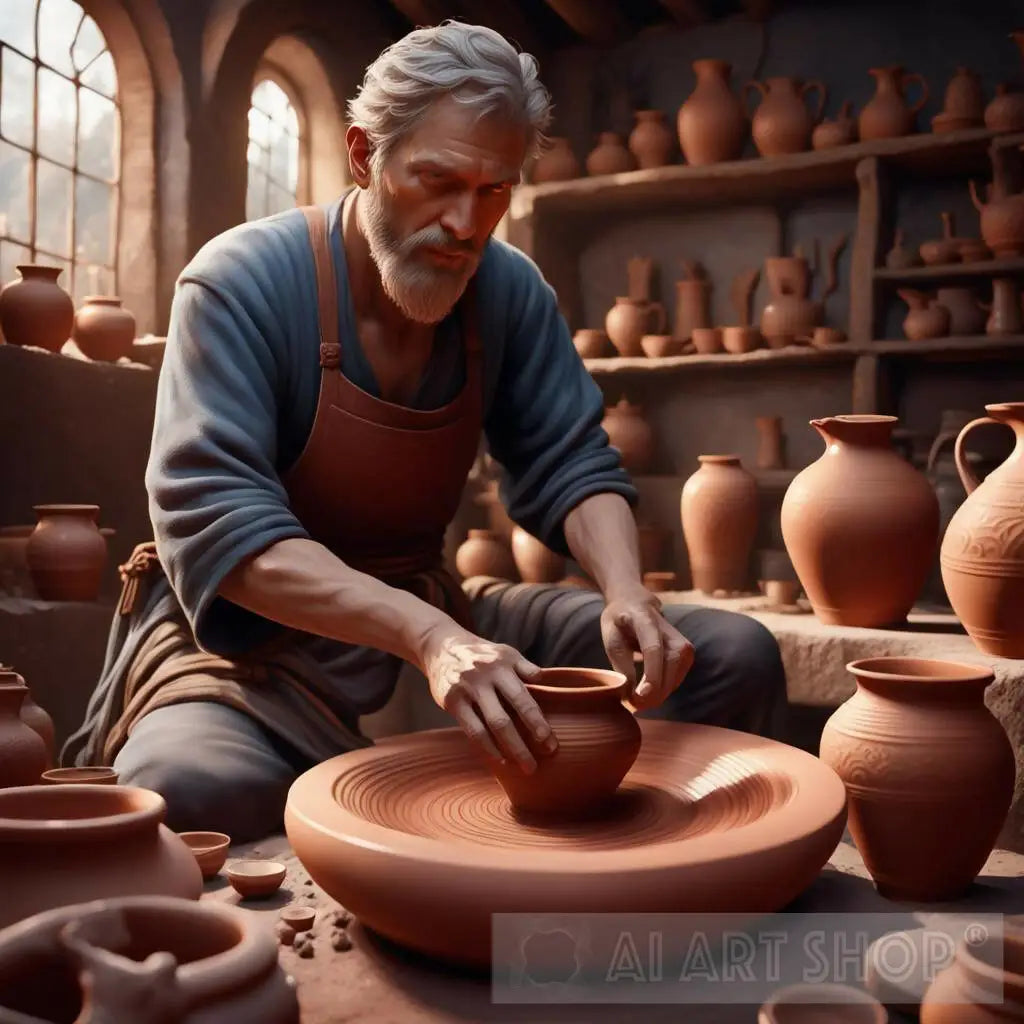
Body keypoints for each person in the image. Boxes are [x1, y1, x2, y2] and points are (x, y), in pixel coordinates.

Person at [63, 21, 787, 843]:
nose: (465, 223)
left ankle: (650, 887)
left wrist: (624, 592)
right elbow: (222, 536)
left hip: (428, 613)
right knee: (187, 789)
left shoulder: (508, 290)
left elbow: (573, 464)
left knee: (732, 653)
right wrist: (431, 639)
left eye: (494, 192)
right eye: (437, 180)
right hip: (249, 651)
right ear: (365, 155)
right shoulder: (238, 283)